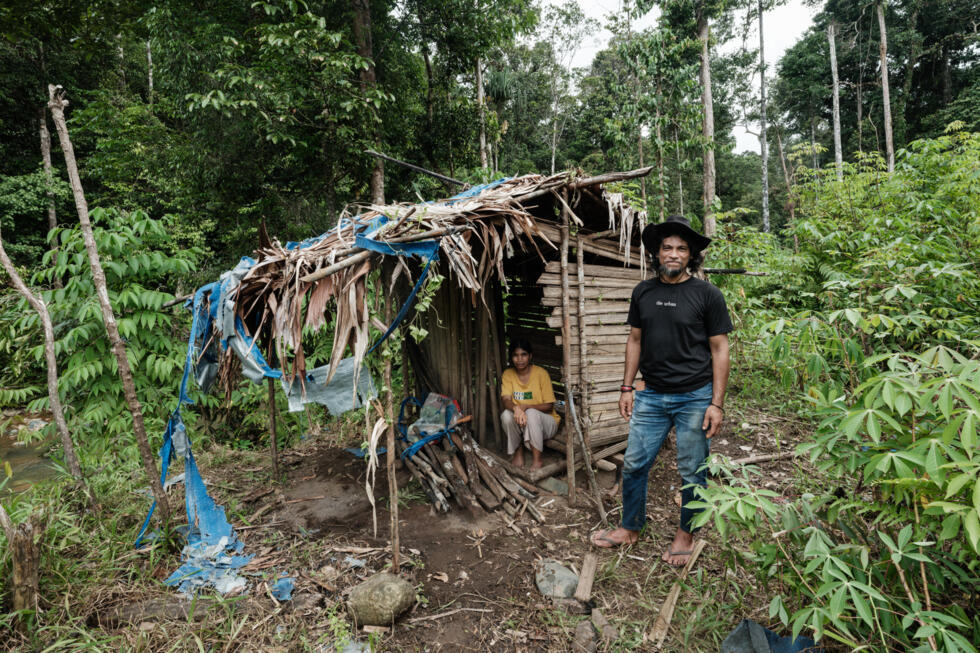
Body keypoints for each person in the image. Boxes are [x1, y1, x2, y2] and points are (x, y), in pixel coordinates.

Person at [589, 215, 733, 567]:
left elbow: (720, 349)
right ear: (656, 253)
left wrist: (716, 403)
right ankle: (630, 527)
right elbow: (635, 339)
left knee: (692, 470)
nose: (673, 254)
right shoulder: (644, 292)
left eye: (681, 248)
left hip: (695, 397)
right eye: (667, 247)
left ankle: (685, 534)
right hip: (651, 395)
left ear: (691, 256)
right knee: (636, 464)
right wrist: (626, 387)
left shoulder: (707, 295)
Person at [500, 338, 560, 470]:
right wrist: (516, 408)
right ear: (511, 357)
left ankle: (537, 460)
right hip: (521, 421)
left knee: (531, 413)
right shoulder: (508, 374)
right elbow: (506, 400)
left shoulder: (541, 374)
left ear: (530, 356)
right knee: (506, 415)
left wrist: (526, 407)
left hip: (546, 423)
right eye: (515, 355)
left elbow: (549, 406)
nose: (519, 359)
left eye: (524, 354)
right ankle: (518, 451)